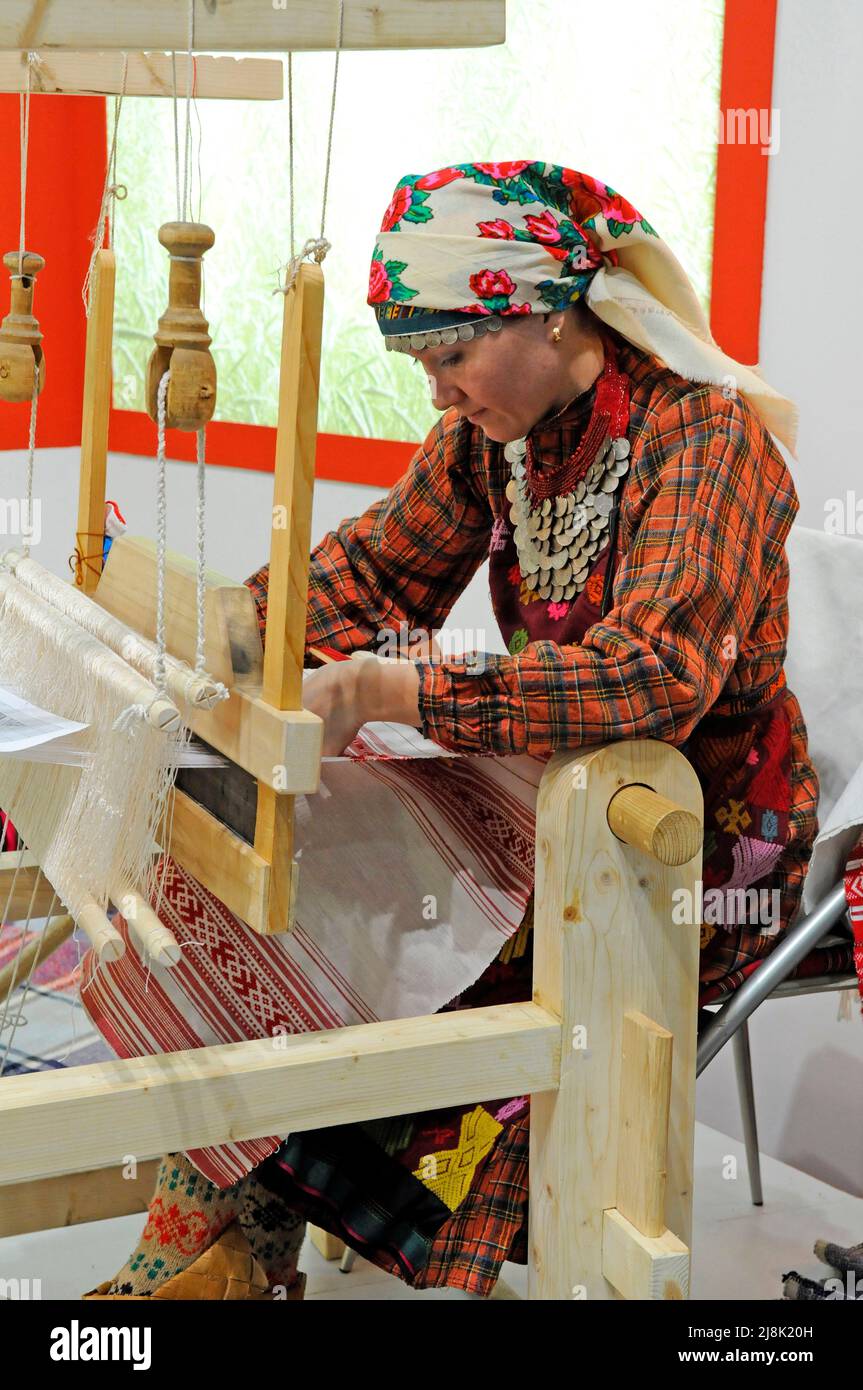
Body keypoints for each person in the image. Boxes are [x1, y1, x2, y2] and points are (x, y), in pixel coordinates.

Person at [83, 161, 819, 1300]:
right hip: (561, 778)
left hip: (695, 828)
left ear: (549, 312)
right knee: (274, 870)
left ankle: (236, 1247)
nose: (437, 395)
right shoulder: (501, 437)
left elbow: (651, 677)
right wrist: (215, 646)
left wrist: (392, 693)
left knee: (354, 915)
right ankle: (229, 1248)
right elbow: (378, 572)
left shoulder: (702, 438)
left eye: (449, 357)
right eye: (421, 365)